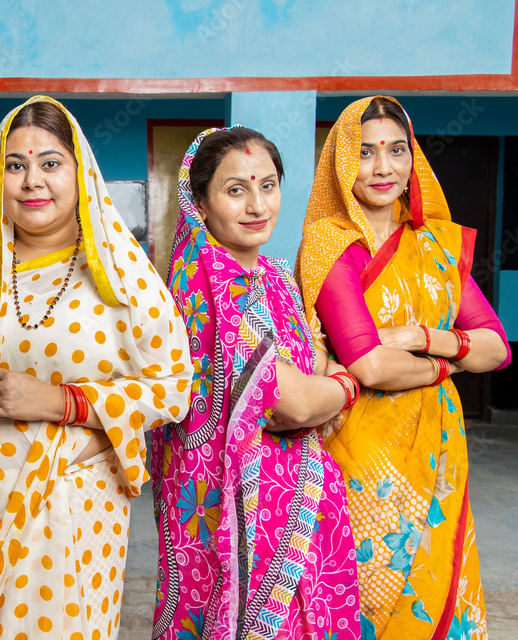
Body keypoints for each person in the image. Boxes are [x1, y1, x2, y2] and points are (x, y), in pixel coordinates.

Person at [0, 96, 192, 639]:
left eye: (50, 163)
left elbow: (172, 389)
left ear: (80, 172)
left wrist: (57, 402)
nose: (31, 181)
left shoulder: (119, 269)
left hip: (75, 507)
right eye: (15, 166)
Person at [297, 96, 511, 638]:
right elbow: (369, 365)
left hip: (439, 444)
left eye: (396, 150)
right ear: (343, 162)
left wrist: (422, 338)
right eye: (365, 152)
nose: (383, 167)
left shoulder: (435, 244)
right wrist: (451, 364)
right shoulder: (330, 243)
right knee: (371, 589)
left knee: (434, 577)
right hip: (359, 447)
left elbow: (497, 348)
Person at [151, 126, 362, 639]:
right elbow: (295, 403)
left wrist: (324, 380)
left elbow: (310, 364)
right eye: (235, 190)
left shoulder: (275, 276)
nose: (257, 205)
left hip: (297, 508)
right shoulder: (209, 283)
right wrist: (350, 383)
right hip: (229, 511)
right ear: (200, 203)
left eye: (268, 185)